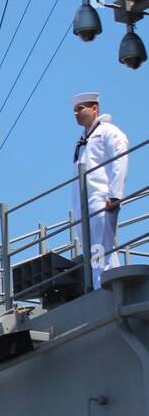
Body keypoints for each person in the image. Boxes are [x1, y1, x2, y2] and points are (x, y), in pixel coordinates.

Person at [71, 92, 130, 289]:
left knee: (103, 245)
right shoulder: (82, 140)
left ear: (94, 108)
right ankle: (99, 285)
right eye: (75, 110)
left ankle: (108, 285)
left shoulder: (108, 132)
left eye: (81, 108)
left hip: (101, 196)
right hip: (83, 202)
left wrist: (115, 194)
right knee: (92, 249)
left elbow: (119, 161)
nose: (77, 113)